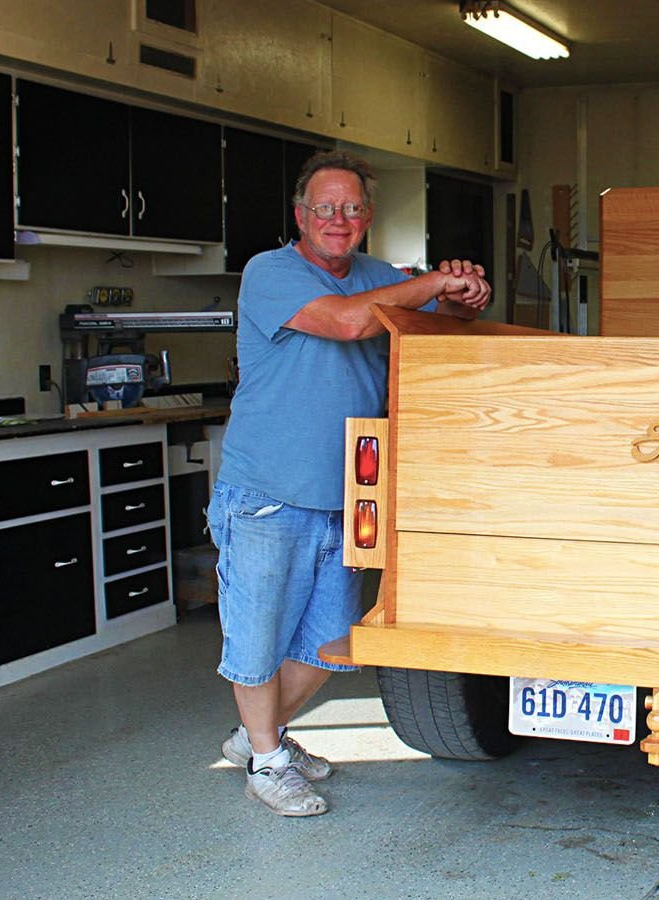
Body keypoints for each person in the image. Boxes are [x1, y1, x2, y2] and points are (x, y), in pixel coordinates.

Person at [208, 149, 491, 816]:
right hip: (269, 492)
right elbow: (348, 322)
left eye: (353, 208)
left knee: (335, 645)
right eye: (325, 208)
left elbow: (436, 324)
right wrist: (427, 282)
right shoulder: (269, 272)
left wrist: (463, 298)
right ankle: (268, 759)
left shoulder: (377, 275)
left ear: (367, 217)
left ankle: (260, 738)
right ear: (301, 215)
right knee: (257, 639)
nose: (339, 218)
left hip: (350, 495)